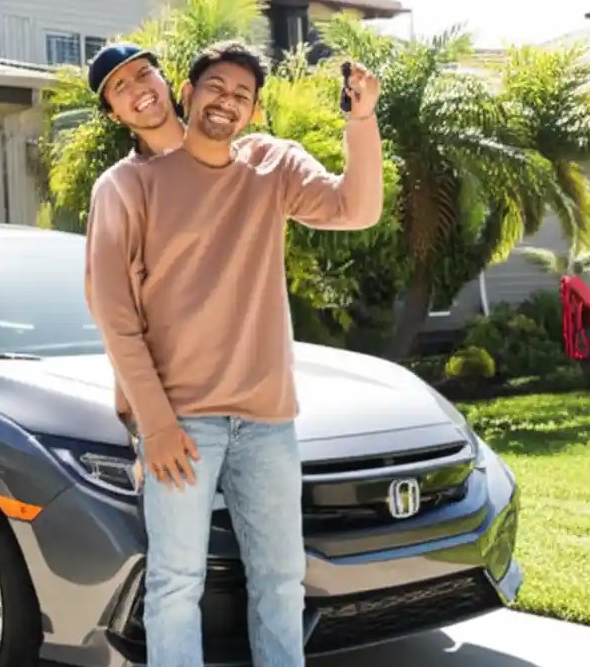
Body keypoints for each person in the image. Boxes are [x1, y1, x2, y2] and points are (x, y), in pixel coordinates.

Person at [83, 40, 384, 666]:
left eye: (241, 94)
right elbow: (114, 316)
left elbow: (356, 209)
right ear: (189, 93)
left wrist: (361, 119)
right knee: (175, 584)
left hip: (268, 421)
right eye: (215, 88)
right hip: (181, 423)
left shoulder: (271, 166)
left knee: (281, 581)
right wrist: (155, 424)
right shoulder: (126, 186)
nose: (227, 101)